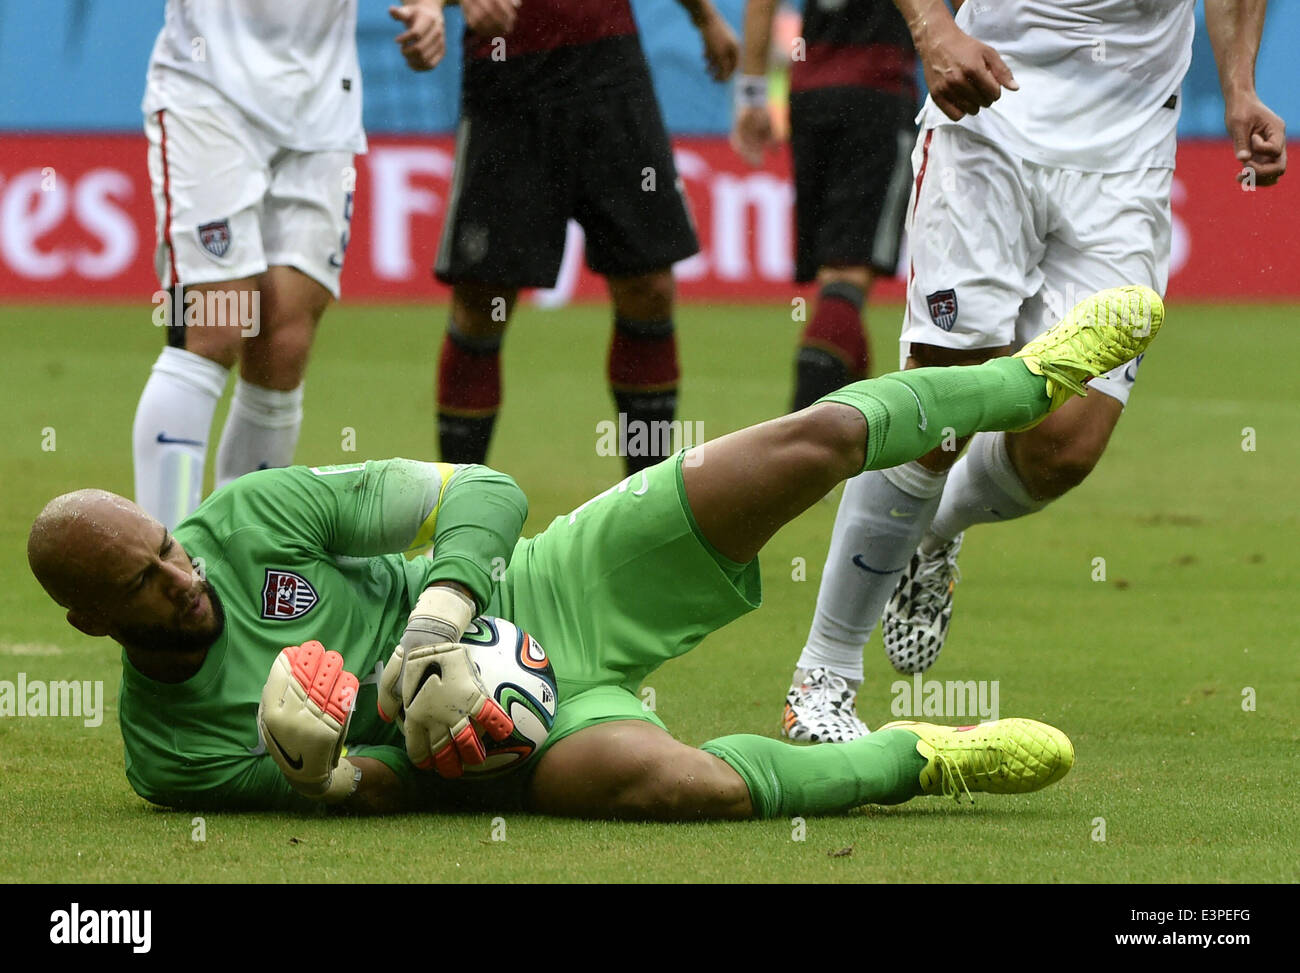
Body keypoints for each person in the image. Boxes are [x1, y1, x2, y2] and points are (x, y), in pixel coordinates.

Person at [27, 286, 1162, 818]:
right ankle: (926, 759)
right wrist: (332, 773)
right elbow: (374, 798)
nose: (184, 579)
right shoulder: (167, 758)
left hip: (539, 584)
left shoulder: (248, 519)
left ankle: (1028, 376)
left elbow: (487, 490)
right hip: (489, 742)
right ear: (91, 623)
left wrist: (440, 612)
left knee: (810, 440)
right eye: (144, 583)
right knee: (689, 788)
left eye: (167, 549)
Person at [781, 0, 1287, 743]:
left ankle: (933, 527)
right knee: (939, 411)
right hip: (989, 110)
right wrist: (932, 27)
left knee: (1064, 447)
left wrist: (1239, 86)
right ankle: (821, 680)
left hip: (1128, 153)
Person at [131, 0, 445, 530]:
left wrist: (432, 7)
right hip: (208, 92)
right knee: (215, 328)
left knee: (284, 343)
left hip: (321, 112)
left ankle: (242, 565)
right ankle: (162, 572)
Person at [431, 0, 739, 476]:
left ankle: (645, 505)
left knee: (650, 288)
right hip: (508, 75)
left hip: (610, 67)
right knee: (482, 302)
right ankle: (456, 512)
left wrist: (704, 17)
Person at [731, 0, 917, 409]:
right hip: (878, 91)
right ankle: (798, 440)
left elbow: (762, 4)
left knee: (836, 279)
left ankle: (855, 438)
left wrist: (752, 95)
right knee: (848, 276)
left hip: (810, 95)